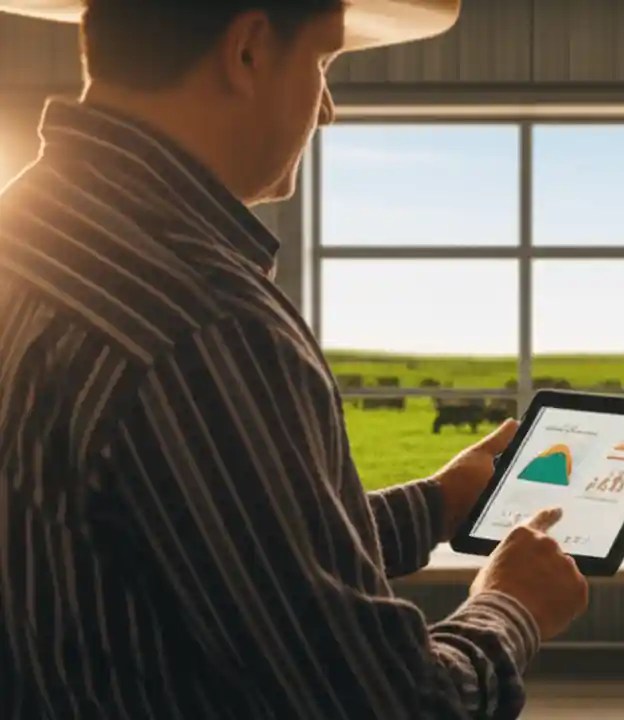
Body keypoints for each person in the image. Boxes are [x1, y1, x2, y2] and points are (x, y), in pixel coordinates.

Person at [0, 1, 589, 718]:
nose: (329, 110)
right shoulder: (207, 322)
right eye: (322, 62)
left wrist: (435, 504)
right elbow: (386, 705)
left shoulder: (27, 240)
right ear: (247, 50)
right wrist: (512, 606)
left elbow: (212, 545)